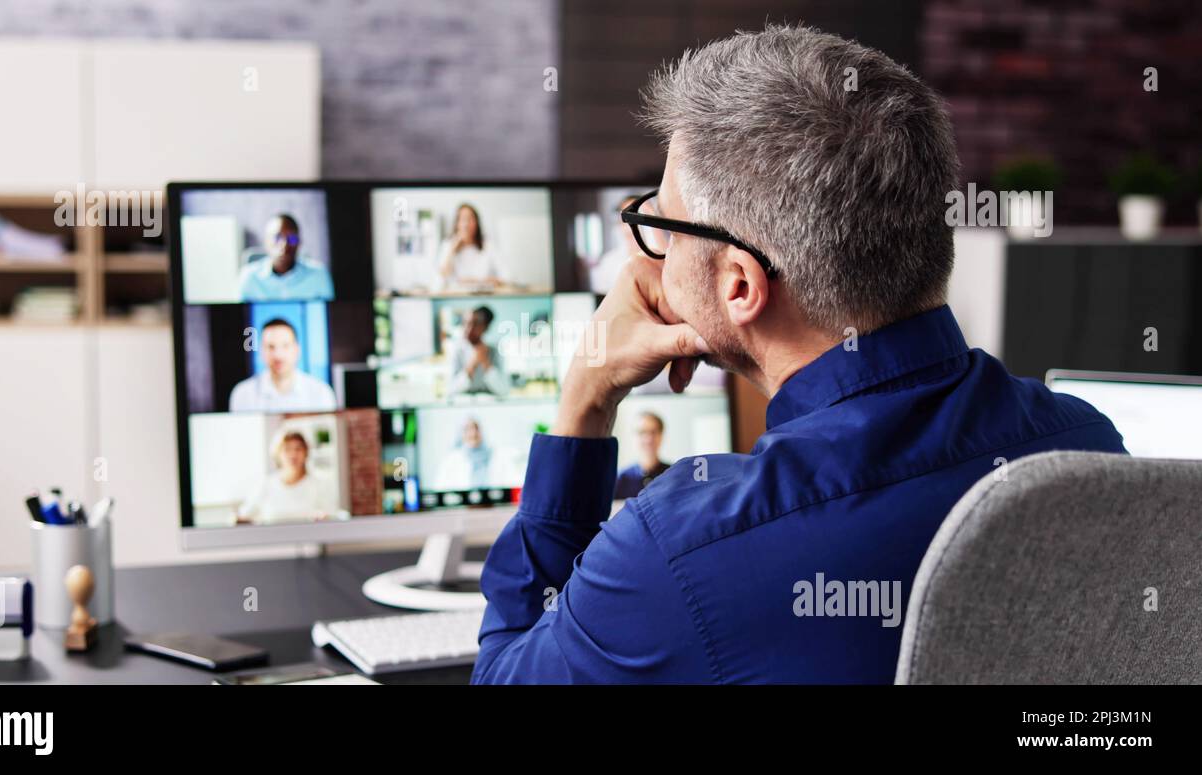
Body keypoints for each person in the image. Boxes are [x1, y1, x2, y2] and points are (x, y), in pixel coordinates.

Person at [472, 26, 1126, 685]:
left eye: (662, 224)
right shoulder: (1088, 449)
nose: (649, 253)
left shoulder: (680, 553)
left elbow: (501, 676)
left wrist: (584, 398)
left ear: (739, 285)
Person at [229, 318, 336, 412]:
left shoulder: (322, 393)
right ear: (261, 351)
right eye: (271, 347)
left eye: (285, 346)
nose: (278, 355)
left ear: (297, 350)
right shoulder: (242, 394)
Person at [236, 431, 336, 524]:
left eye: (298, 449)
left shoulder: (318, 485)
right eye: (287, 449)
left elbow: (332, 517)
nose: (293, 454)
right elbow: (244, 515)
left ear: (306, 453)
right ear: (278, 454)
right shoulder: (266, 484)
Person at [238, 214, 335, 301]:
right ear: (266, 242)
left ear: (299, 242)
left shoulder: (318, 275)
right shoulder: (249, 277)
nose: (284, 245)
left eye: (292, 239)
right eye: (277, 237)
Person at [585, 194, 647, 294]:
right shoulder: (607, 263)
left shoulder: (663, 258)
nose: (631, 225)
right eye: (627, 219)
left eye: (638, 217)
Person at [436, 204, 502, 291]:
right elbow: (442, 276)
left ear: (477, 223)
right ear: (457, 223)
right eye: (462, 219)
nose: (466, 224)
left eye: (470, 219)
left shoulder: (488, 245)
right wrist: (452, 249)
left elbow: (506, 276)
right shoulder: (447, 245)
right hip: (455, 297)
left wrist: (480, 281)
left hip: (483, 296)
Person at [447, 305, 509, 397]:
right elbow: (451, 390)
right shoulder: (457, 351)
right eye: (466, 323)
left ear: (485, 327)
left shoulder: (494, 351)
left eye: (475, 324)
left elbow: (503, 391)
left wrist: (485, 362)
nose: (469, 329)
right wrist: (473, 363)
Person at [613, 411, 670, 499]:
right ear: (634, 436)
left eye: (653, 432)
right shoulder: (621, 479)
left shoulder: (673, 475)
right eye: (642, 432)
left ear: (661, 435)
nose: (648, 439)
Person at [435, 417, 495, 490]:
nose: (473, 433)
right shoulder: (450, 461)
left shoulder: (495, 456)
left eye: (476, 428)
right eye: (468, 429)